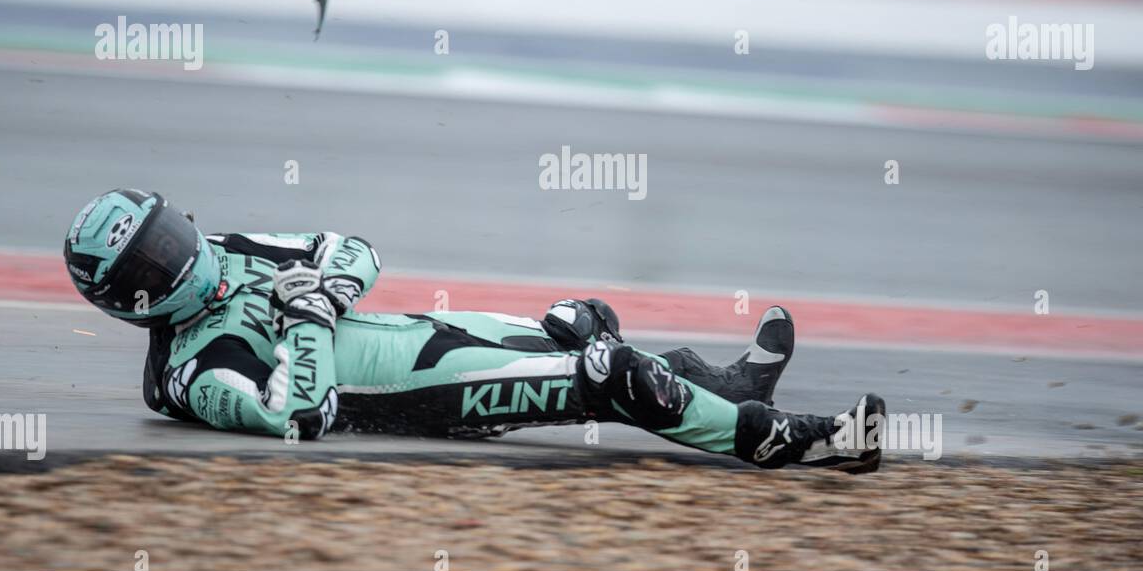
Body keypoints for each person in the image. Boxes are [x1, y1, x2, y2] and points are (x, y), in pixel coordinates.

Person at [64, 189, 885, 472]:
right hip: (421, 395)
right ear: (129, 301)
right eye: (154, 261)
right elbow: (299, 416)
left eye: (170, 232)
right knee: (609, 370)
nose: (181, 255)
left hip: (427, 330)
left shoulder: (231, 251)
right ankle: (795, 442)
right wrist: (311, 315)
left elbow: (348, 246)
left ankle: (738, 389)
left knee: (581, 319)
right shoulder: (192, 371)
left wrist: (331, 285)